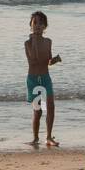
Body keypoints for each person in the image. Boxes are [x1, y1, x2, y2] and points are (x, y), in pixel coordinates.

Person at [24, 10, 61, 147]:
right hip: (33, 80)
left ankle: (49, 137)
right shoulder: (27, 43)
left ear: (45, 26)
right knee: (38, 111)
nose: (38, 26)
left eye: (40, 23)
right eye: (35, 23)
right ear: (31, 26)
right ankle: (35, 138)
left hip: (45, 78)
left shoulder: (48, 42)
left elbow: (47, 61)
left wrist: (55, 60)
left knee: (50, 107)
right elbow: (34, 59)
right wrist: (34, 40)